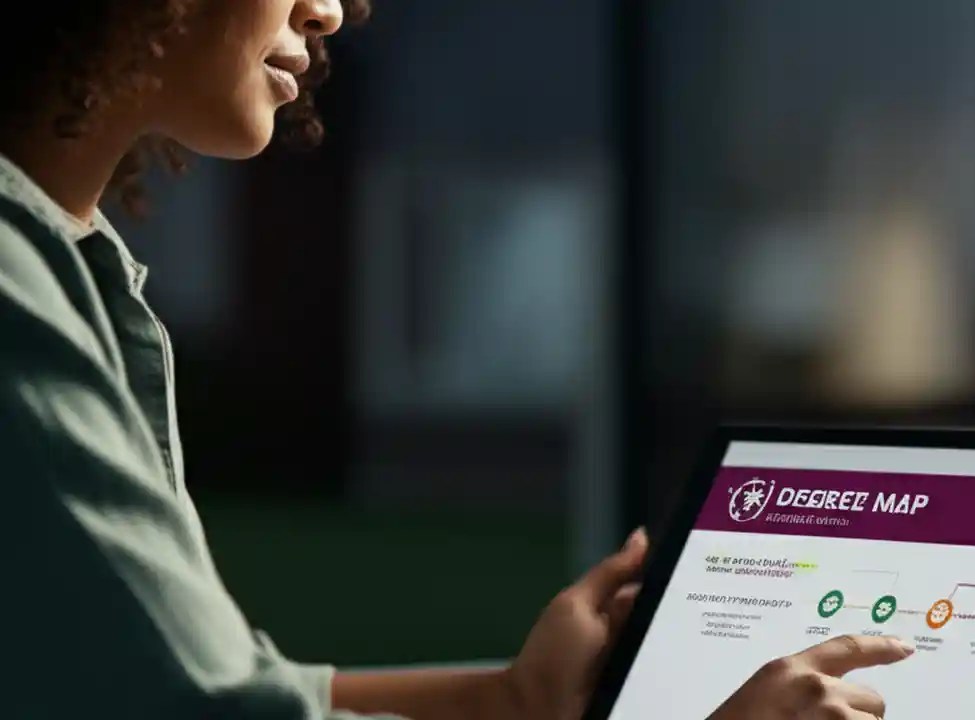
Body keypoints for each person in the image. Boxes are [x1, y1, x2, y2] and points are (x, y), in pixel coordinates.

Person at [0, 1, 913, 718]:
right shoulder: (13, 289)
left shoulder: (59, 265)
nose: (325, 11)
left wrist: (514, 700)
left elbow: (215, 685)